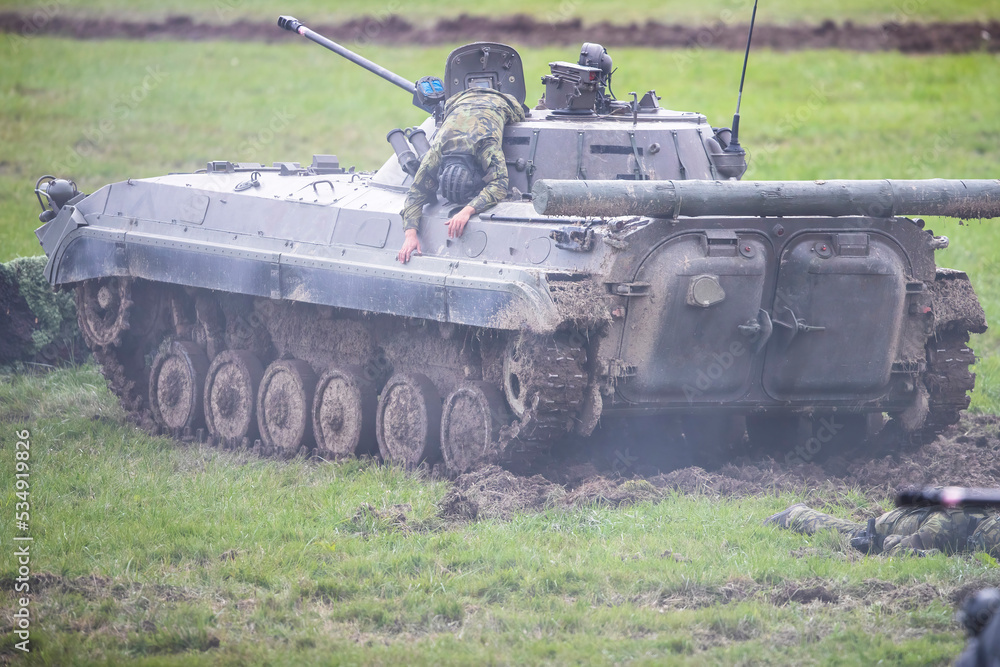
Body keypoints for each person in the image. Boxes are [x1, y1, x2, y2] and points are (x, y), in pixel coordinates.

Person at [397, 86, 525, 263]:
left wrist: (467, 211)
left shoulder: (486, 144)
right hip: (458, 100)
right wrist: (410, 235)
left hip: (501, 100)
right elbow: (416, 192)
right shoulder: (438, 149)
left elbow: (500, 184)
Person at [764, 502, 1000, 557]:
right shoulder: (942, 529)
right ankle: (797, 515)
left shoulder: (987, 520)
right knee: (856, 535)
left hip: (925, 514)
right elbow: (898, 549)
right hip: (896, 523)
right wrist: (929, 554)